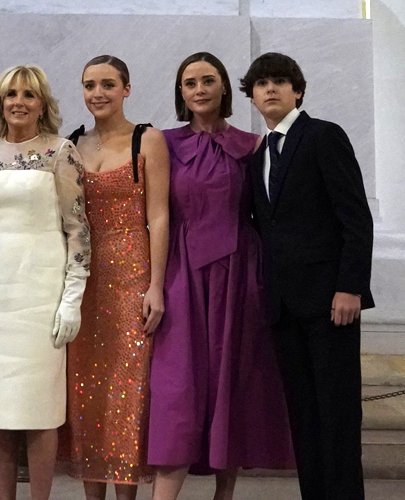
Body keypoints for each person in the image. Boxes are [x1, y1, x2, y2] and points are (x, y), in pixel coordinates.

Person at [148, 51, 295, 500]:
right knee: (177, 386)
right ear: (181, 92)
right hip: (181, 272)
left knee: (232, 381)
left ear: (225, 88)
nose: (199, 89)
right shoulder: (163, 142)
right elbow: (155, 215)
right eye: (189, 82)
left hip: (238, 276)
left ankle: (224, 495)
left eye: (208, 80)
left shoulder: (251, 146)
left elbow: (268, 216)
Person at [241, 52, 374, 500]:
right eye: (262, 84)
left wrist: (350, 286)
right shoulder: (258, 153)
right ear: (252, 96)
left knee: (336, 414)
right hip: (282, 305)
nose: (271, 89)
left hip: (330, 302)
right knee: (304, 416)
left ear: (297, 90)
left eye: (280, 81)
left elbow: (355, 217)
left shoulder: (322, 136)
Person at [0, 65, 90, 500]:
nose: (18, 101)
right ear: (0, 101)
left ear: (42, 103)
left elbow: (77, 229)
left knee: (41, 410)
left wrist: (71, 298)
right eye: (10, 94)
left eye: (28, 94)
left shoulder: (62, 151)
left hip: (42, 289)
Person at [58, 55, 170, 500]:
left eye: (107, 84)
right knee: (85, 392)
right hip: (83, 280)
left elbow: (159, 217)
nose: (97, 93)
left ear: (127, 88)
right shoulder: (70, 144)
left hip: (131, 279)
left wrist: (156, 285)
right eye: (89, 85)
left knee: (127, 393)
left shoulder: (148, 140)